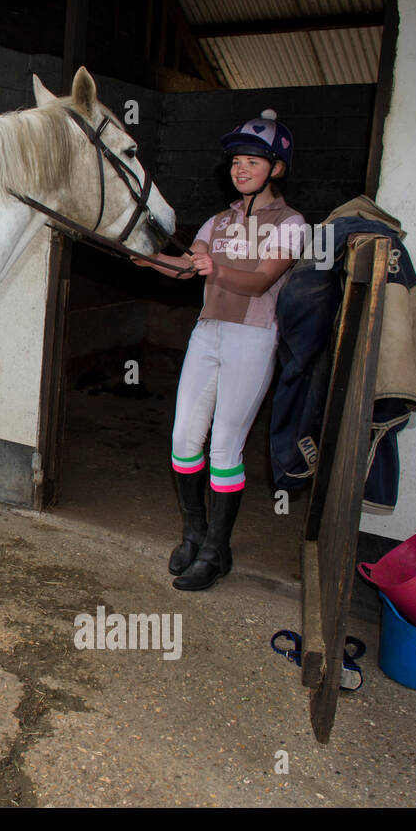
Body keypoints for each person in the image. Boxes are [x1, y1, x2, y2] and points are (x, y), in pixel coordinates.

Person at [133, 110, 307, 591]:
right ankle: (193, 533)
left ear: (276, 168)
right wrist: (148, 259)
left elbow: (262, 280)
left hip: (253, 336)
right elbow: (189, 268)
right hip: (207, 332)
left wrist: (216, 269)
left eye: (253, 161)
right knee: (184, 439)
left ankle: (217, 550)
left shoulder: (292, 224)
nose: (241, 168)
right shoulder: (218, 219)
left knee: (226, 446)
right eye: (236, 161)